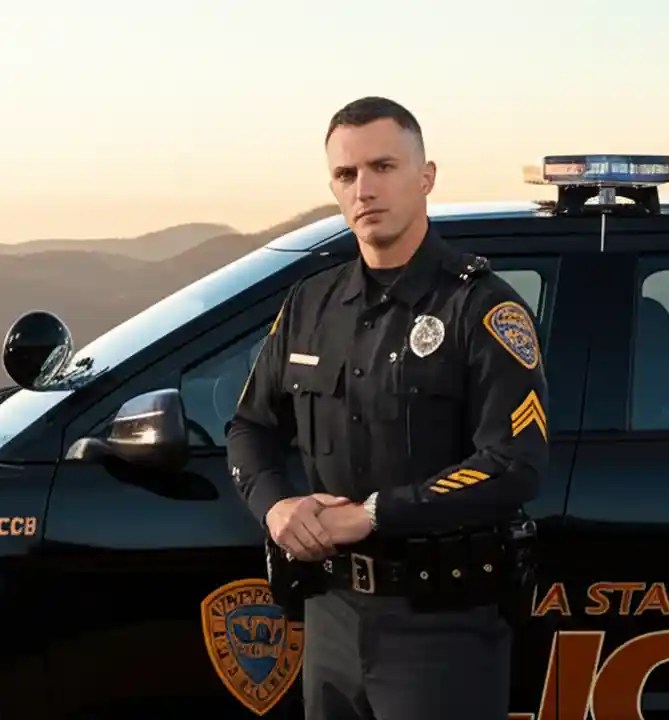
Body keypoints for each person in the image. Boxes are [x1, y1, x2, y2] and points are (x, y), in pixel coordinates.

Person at [226, 96, 549, 720]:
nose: (364, 189)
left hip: (441, 626)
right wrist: (275, 506)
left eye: (383, 167)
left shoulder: (480, 308)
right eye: (347, 175)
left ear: (425, 177)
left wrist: (375, 515)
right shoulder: (309, 306)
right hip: (330, 614)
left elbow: (515, 464)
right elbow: (250, 427)